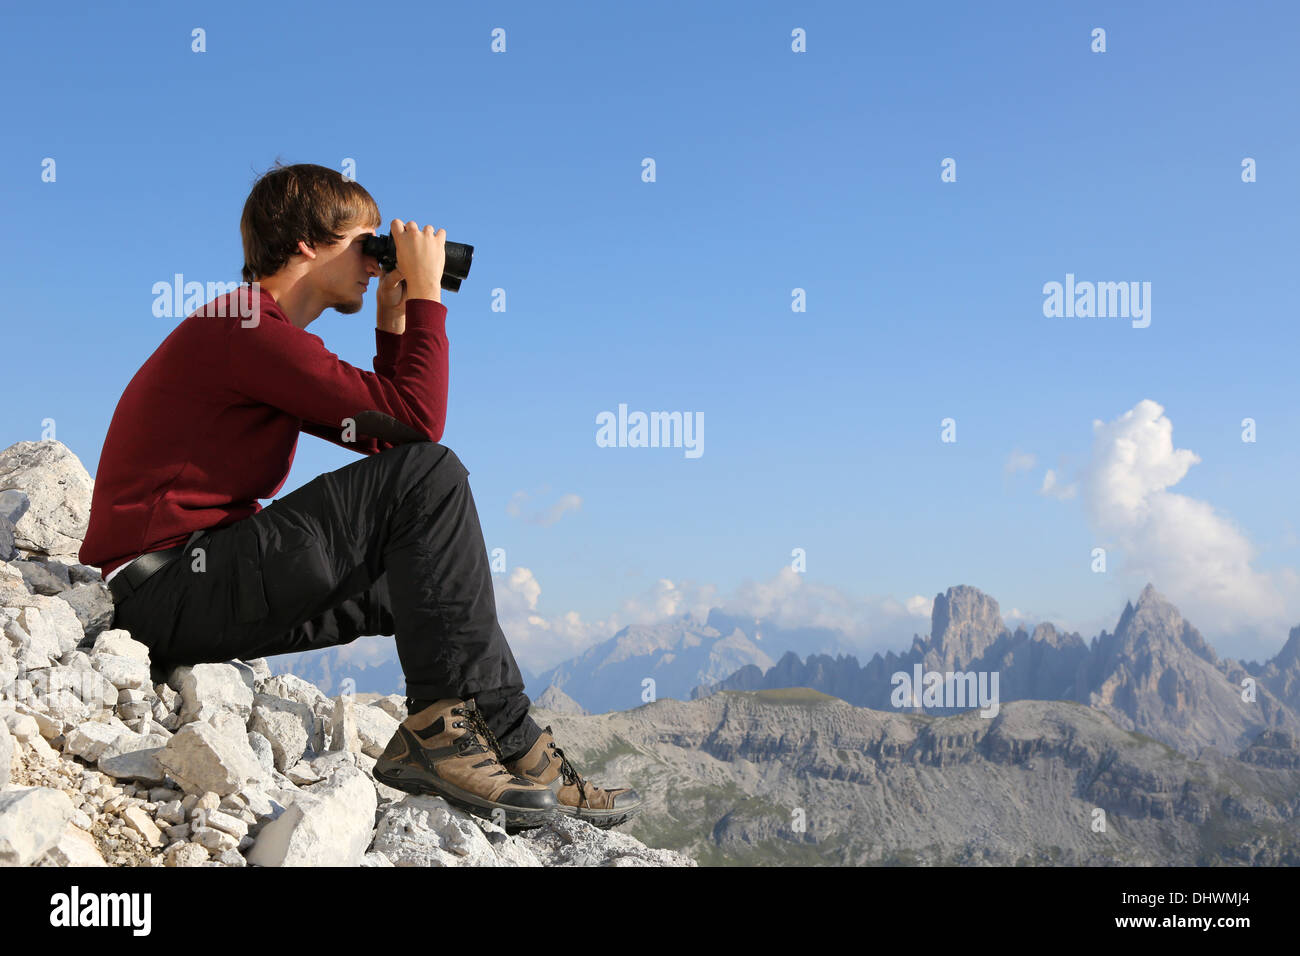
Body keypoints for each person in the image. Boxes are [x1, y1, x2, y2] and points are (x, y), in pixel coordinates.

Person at [79, 161, 640, 831]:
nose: (376, 262)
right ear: (307, 243)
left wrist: (394, 326)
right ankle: (438, 738)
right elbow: (420, 439)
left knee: (431, 581)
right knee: (434, 476)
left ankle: (518, 750)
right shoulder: (244, 327)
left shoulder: (259, 334)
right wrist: (429, 297)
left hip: (191, 591)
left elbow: (389, 436)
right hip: (167, 589)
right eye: (367, 243)